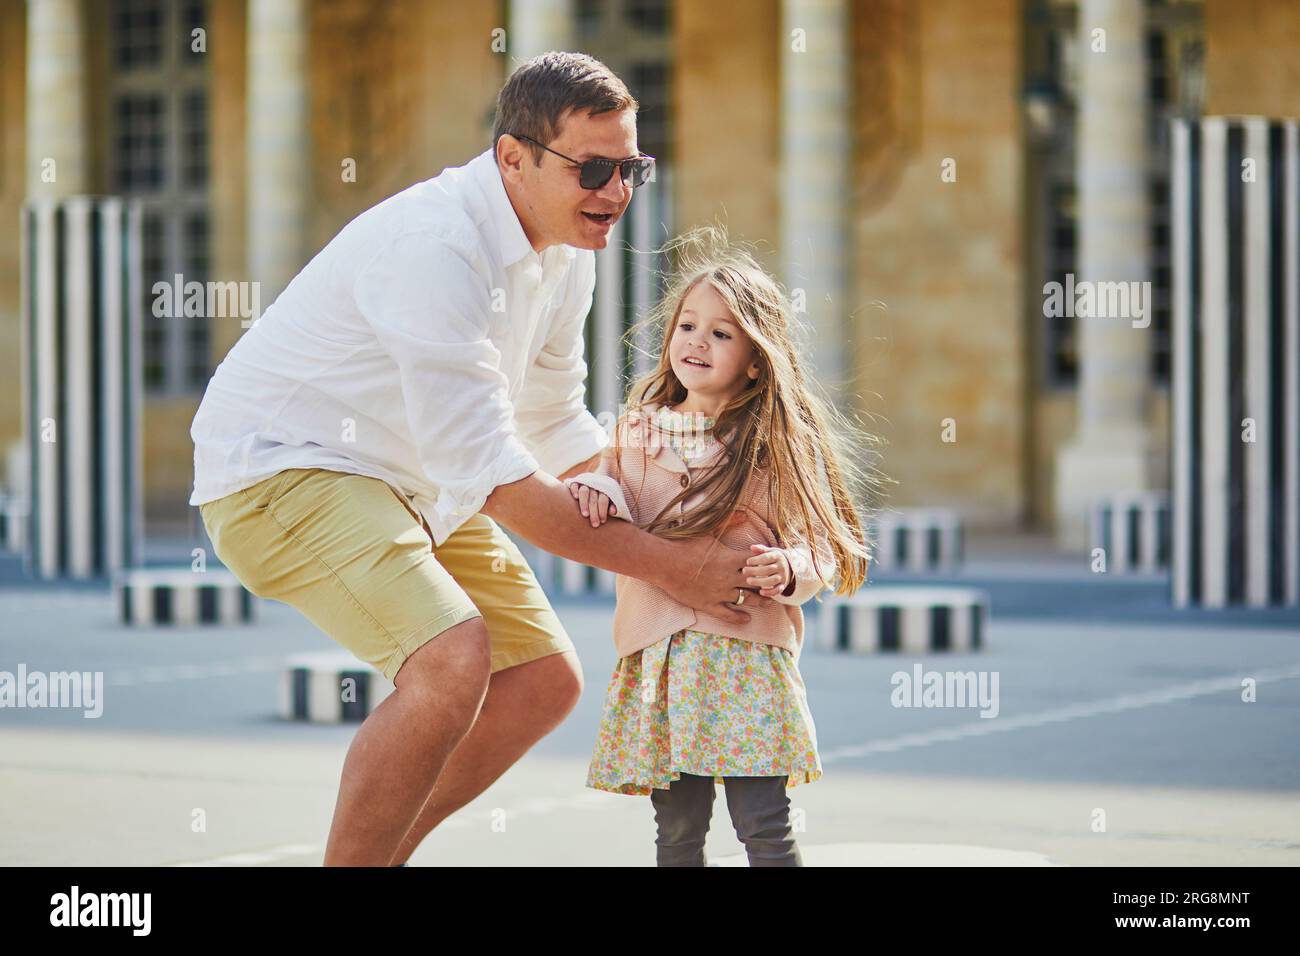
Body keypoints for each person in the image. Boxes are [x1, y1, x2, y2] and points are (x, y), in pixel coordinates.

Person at [190, 53, 768, 867]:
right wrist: (678, 568)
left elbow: (552, 420)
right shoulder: (436, 248)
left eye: (630, 167)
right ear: (513, 158)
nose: (616, 192)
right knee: (452, 658)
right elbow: (497, 476)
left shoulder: (564, 253)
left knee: (540, 681)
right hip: (282, 472)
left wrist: (703, 520)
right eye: (593, 168)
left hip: (410, 483)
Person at [563, 227, 876, 866]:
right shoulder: (636, 427)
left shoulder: (774, 444)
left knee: (764, 825)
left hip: (747, 665)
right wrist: (598, 488)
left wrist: (790, 568)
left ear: (757, 358)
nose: (697, 342)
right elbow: (613, 489)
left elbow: (822, 542)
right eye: (687, 325)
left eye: (722, 333)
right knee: (678, 831)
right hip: (664, 663)